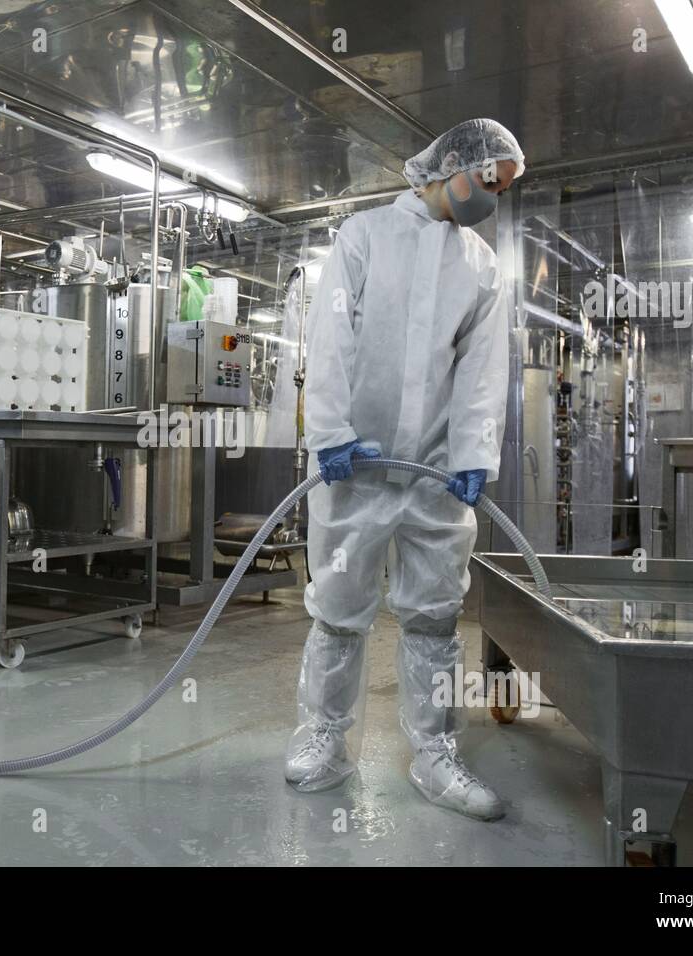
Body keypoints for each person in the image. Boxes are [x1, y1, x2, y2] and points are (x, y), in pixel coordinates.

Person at [285, 119, 524, 820]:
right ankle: (324, 739)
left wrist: (476, 453)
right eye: (490, 181)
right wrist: (328, 433)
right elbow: (330, 339)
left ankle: (436, 756)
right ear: (452, 164)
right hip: (354, 468)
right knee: (338, 613)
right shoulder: (363, 237)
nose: (493, 198)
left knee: (435, 620)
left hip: (434, 475)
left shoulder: (481, 265)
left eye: (503, 190)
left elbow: (483, 372)